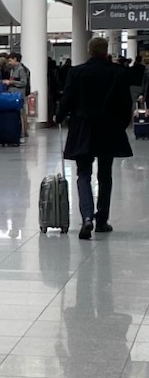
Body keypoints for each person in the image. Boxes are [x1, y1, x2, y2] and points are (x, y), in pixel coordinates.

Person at [59, 36, 134, 239]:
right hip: (108, 128)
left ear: (89, 51)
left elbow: (68, 97)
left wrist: (58, 115)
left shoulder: (76, 72)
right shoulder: (117, 72)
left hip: (83, 127)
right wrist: (121, 124)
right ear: (105, 51)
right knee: (105, 175)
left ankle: (86, 218)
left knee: (83, 174)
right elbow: (126, 102)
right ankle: (102, 220)